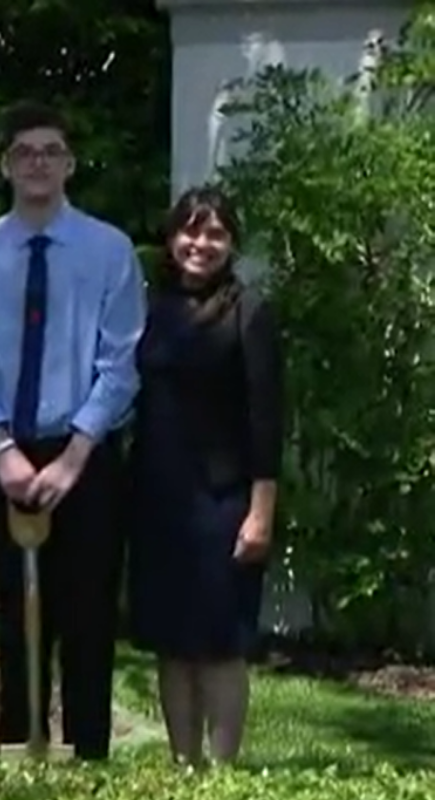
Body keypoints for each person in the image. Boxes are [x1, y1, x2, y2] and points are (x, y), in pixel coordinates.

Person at [0, 100, 145, 762]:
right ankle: (19, 756)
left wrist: (75, 456)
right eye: (24, 152)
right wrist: (0, 447)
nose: (38, 163)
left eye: (50, 151)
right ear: (6, 166)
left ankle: (87, 763)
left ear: (70, 165)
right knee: (17, 620)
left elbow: (119, 365)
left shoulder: (108, 250)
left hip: (84, 456)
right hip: (7, 454)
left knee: (87, 622)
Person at [126, 186, 282, 767]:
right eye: (192, 231)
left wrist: (260, 512)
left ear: (231, 243)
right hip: (159, 499)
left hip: (224, 503)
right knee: (172, 644)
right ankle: (182, 766)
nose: (202, 244)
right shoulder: (153, 309)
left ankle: (222, 773)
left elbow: (268, 420)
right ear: (172, 239)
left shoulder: (250, 311)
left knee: (219, 645)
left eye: (215, 233)